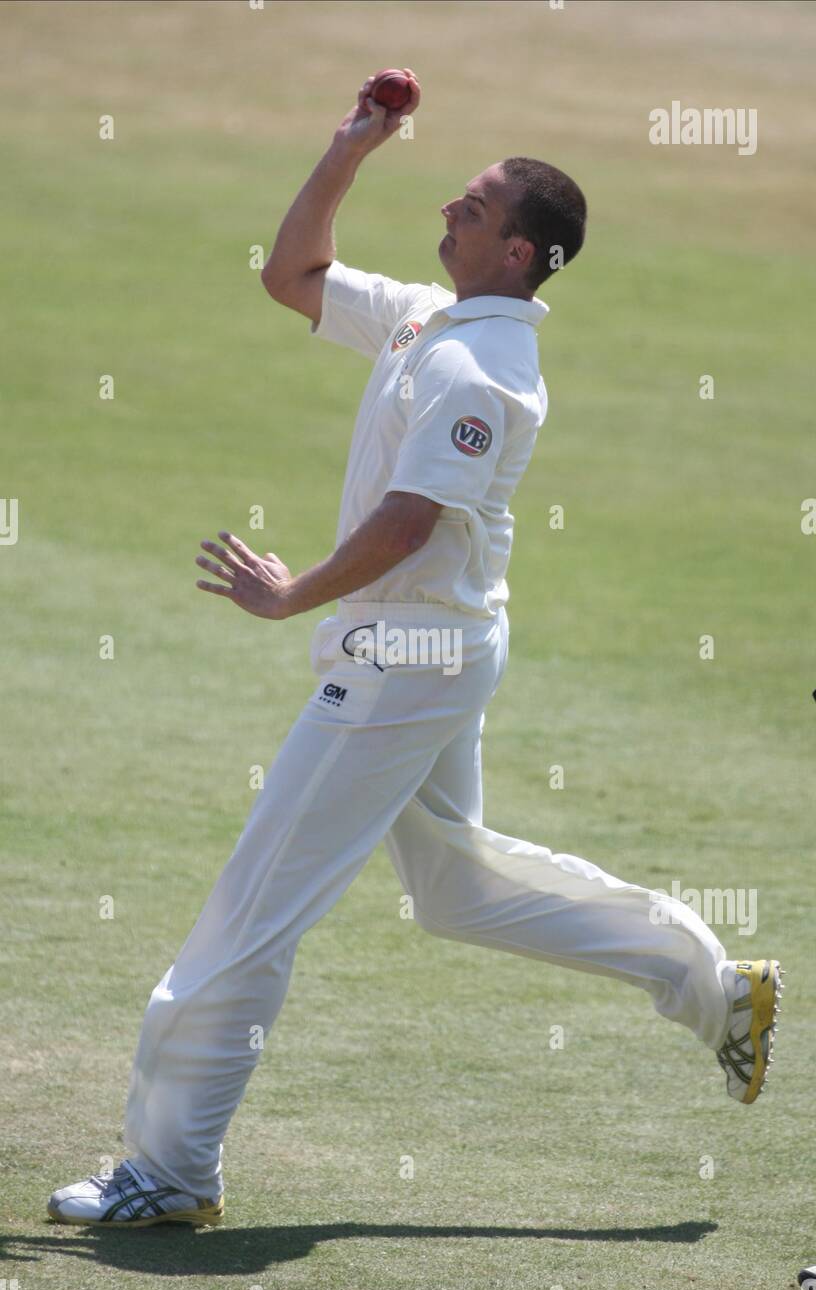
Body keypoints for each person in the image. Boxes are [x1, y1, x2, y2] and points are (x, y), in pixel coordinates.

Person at [48, 71, 782, 1228]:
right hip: (432, 645)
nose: (451, 205)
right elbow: (288, 275)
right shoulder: (428, 318)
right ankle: (712, 985)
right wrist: (351, 148)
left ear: (521, 255)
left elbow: (408, 521)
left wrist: (293, 595)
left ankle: (170, 1167)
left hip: (405, 657)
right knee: (456, 887)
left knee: (255, 907)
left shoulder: (482, 369)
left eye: (476, 208)